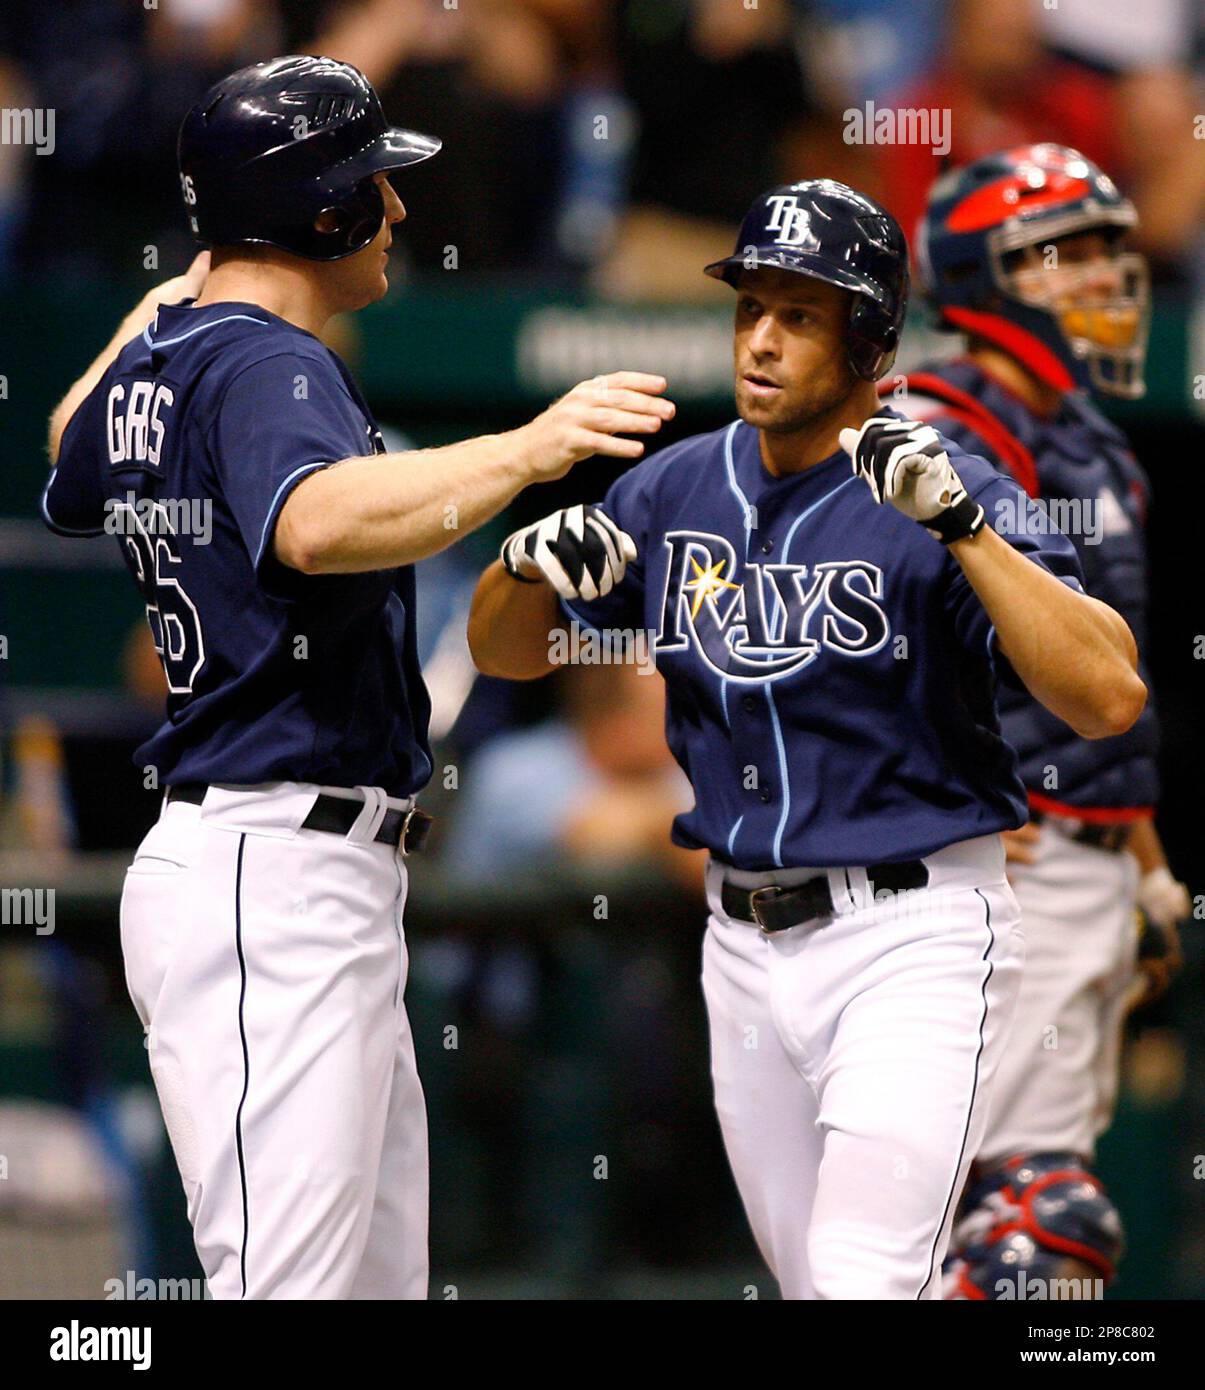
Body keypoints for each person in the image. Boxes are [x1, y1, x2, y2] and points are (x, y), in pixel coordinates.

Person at [41, 54, 673, 1300]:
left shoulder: (179, 352)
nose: (393, 211)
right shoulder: (268, 362)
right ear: (313, 209)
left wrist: (161, 305)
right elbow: (316, 523)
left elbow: (69, 447)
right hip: (270, 870)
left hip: (290, 870)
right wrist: (529, 446)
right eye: (370, 186)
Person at [466, 179, 1146, 1299]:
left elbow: (1105, 693)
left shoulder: (940, 483)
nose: (761, 341)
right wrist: (519, 568)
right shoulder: (676, 485)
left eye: (798, 315)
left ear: (870, 341)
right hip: (736, 941)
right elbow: (504, 653)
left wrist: (964, 530)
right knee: (830, 1284)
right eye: (749, 311)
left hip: (911, 931)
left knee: (857, 1278)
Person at [895, 143, 1191, 1298]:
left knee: (1027, 1220)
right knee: (1016, 1232)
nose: (1108, 276)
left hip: (1089, 854)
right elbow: (852, 627)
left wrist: (1147, 873)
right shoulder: (933, 424)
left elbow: (1106, 691)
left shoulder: (1090, 436)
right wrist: (938, 793)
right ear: (985, 275)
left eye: (1115, 248)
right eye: (1068, 251)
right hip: (1001, 862)